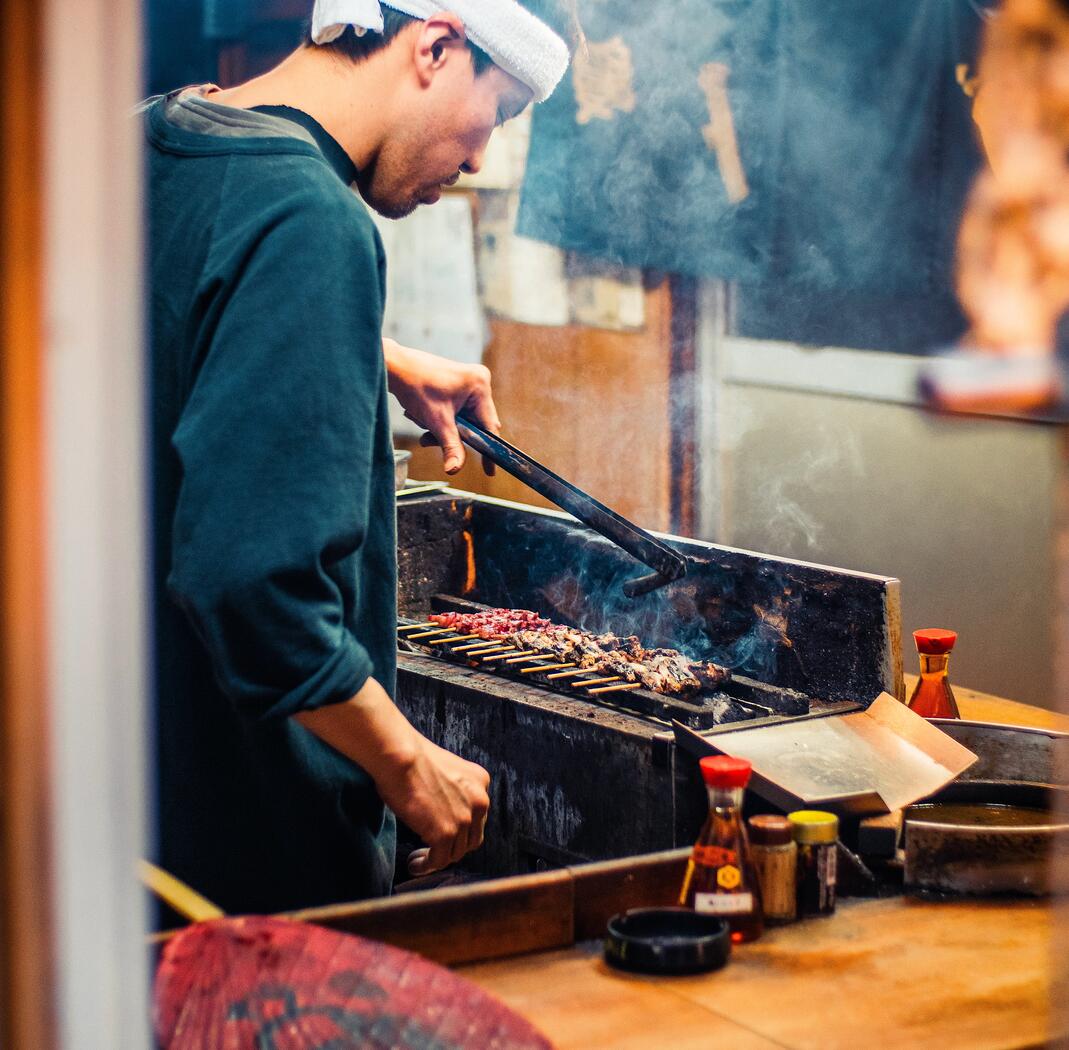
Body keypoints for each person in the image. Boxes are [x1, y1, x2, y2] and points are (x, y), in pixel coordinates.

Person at [145, 0, 570, 914]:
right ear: (436, 46)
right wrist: (407, 764)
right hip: (243, 866)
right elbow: (251, 587)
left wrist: (365, 353)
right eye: (497, 113)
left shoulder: (151, 136)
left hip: (121, 824)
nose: (478, 159)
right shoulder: (312, 220)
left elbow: (165, 313)